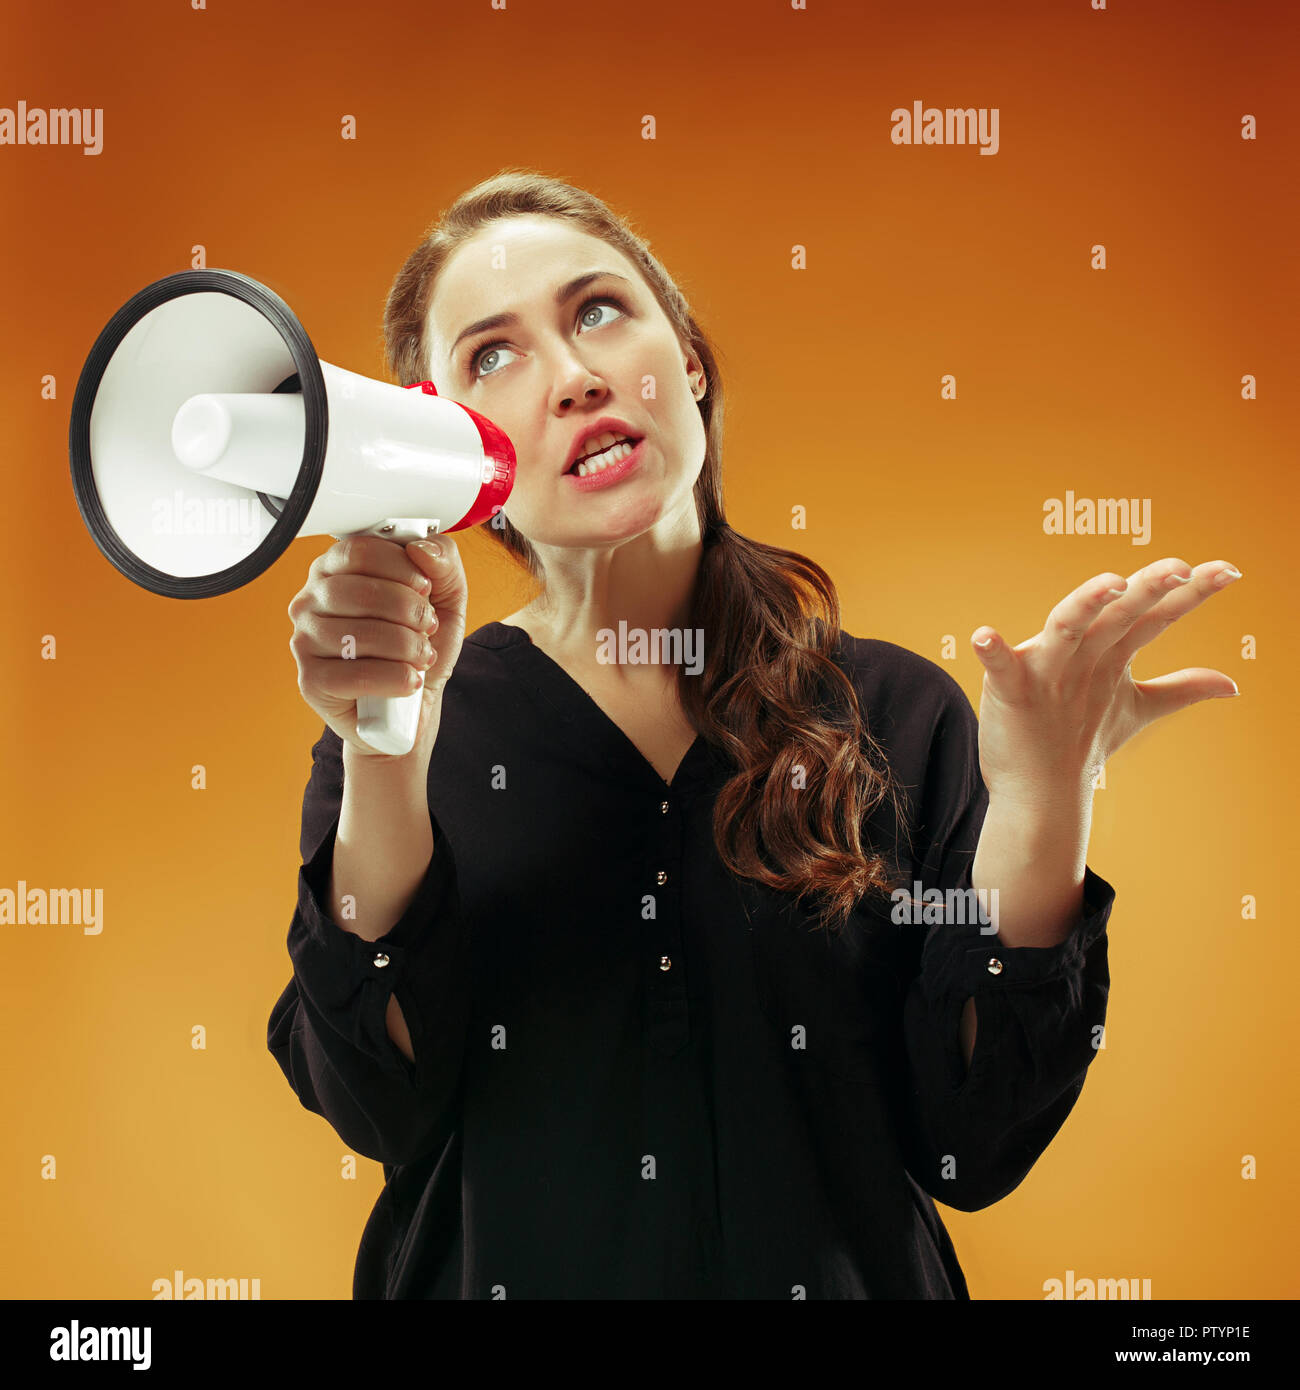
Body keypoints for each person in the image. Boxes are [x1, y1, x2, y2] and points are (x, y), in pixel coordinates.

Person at [268, 170, 1241, 1300]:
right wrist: (384, 744)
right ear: (456, 453)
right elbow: (374, 1103)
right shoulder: (415, 727)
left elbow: (969, 1147)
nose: (574, 377)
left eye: (595, 312)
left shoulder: (898, 712)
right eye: (494, 355)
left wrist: (1042, 805)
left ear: (683, 358)